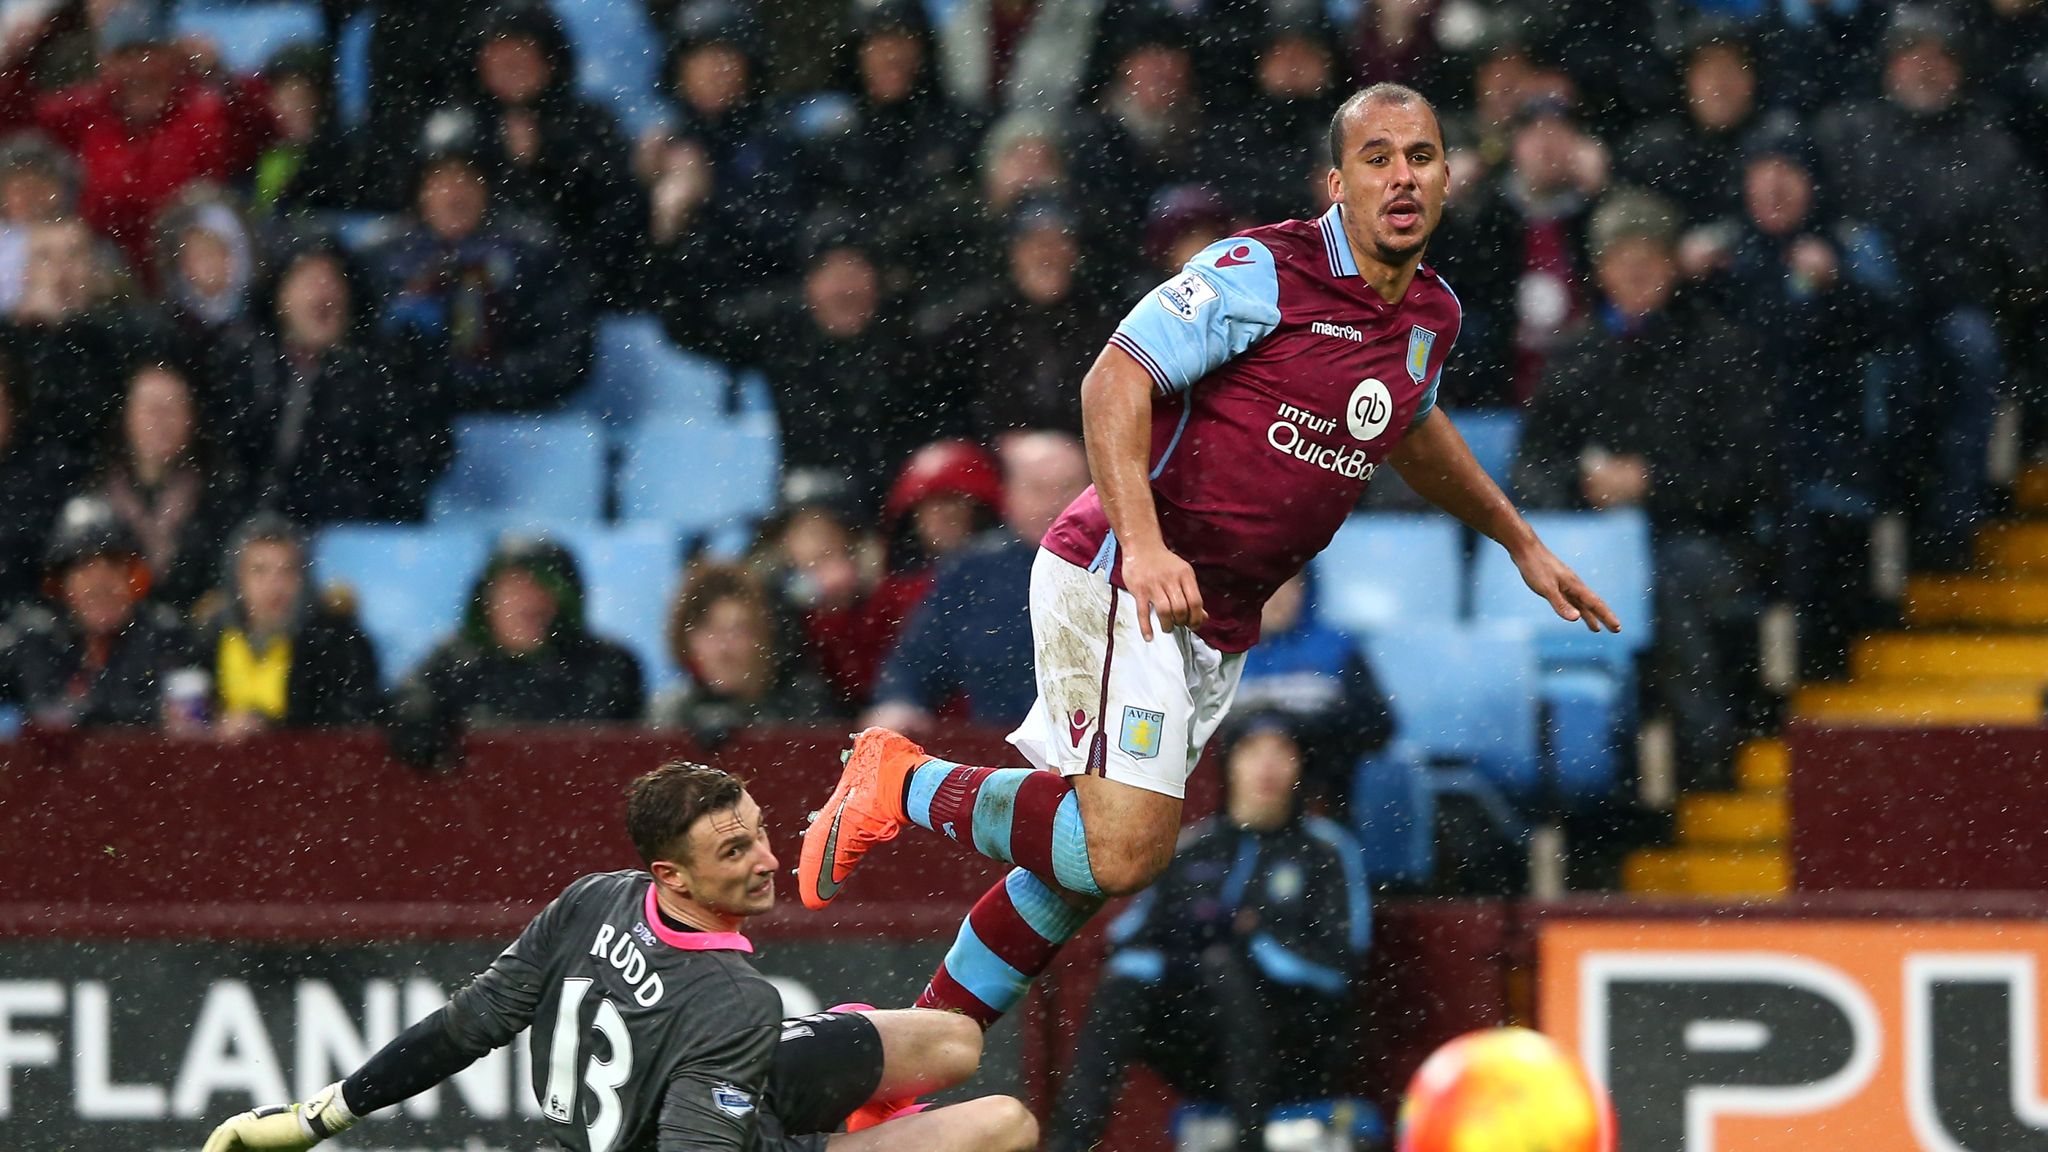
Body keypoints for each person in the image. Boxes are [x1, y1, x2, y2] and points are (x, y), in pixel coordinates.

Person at [797, 84, 1616, 1029]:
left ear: (1446, 179)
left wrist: (1520, 542)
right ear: (1336, 183)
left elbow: (1413, 426)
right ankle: (901, 781)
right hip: (1122, 572)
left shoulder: (1432, 314)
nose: (1402, 177)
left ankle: (927, 1041)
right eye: (1377, 158)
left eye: (1421, 157)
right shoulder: (1259, 271)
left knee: (1085, 863)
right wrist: (1145, 547)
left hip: (1214, 617)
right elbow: (1112, 380)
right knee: (1127, 849)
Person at [199, 760, 1039, 1152]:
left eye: (758, 833)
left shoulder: (594, 898)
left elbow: (463, 1028)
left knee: (955, 1040)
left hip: (704, 1082)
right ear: (672, 875)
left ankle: (851, 1101)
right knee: (1008, 1124)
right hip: (722, 1132)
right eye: (735, 851)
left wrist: (321, 1117)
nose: (767, 861)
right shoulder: (733, 997)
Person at [1513, 189, 1775, 792]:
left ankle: (1701, 755)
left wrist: (1655, 483)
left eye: (1648, 257)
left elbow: (1750, 476)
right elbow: (1532, 466)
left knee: (1662, 578)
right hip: (1595, 544)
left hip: (1704, 542)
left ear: (1674, 265)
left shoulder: (1722, 351)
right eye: (1620, 258)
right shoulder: (1573, 356)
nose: (1634, 271)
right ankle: (1587, 780)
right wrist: (1584, 488)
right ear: (1600, 270)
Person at [1048, 713, 1368, 1152]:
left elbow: (1340, 970)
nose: (1267, 766)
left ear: (1300, 767)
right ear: (1229, 765)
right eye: (1252, 752)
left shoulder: (1325, 850)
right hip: (1202, 1047)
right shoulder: (1192, 846)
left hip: (1295, 1044)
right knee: (1123, 987)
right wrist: (1184, 950)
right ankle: (1069, 1143)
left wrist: (1254, 940)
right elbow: (1126, 943)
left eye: (1282, 753)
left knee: (1225, 967)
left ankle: (1249, 1142)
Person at [866, 430, 1090, 731]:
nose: (1053, 503)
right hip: (999, 745)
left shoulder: (1125, 564)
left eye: (1066, 488)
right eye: (1037, 489)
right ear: (1009, 494)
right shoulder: (971, 571)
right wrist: (897, 702)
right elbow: (914, 663)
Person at [389, 536, 645, 767]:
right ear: (487, 599)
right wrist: (417, 717)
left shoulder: (608, 665)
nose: (529, 601)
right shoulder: (453, 661)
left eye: (543, 588)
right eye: (514, 589)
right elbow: (408, 700)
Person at [0, 506, 197, 730]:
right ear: (60, 584)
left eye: (113, 566)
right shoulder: (33, 640)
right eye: (84, 567)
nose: (99, 581)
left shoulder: (164, 636)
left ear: (136, 579)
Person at [193, 513, 384, 738]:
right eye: (259, 570)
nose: (274, 585)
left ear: (304, 578)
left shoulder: (338, 643)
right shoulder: (210, 637)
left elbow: (350, 726)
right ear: (236, 578)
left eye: (287, 570)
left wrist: (266, 729)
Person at [650, 560, 837, 740]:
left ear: (764, 637)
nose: (723, 650)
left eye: (737, 631)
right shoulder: (670, 715)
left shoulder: (803, 710)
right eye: (708, 632)